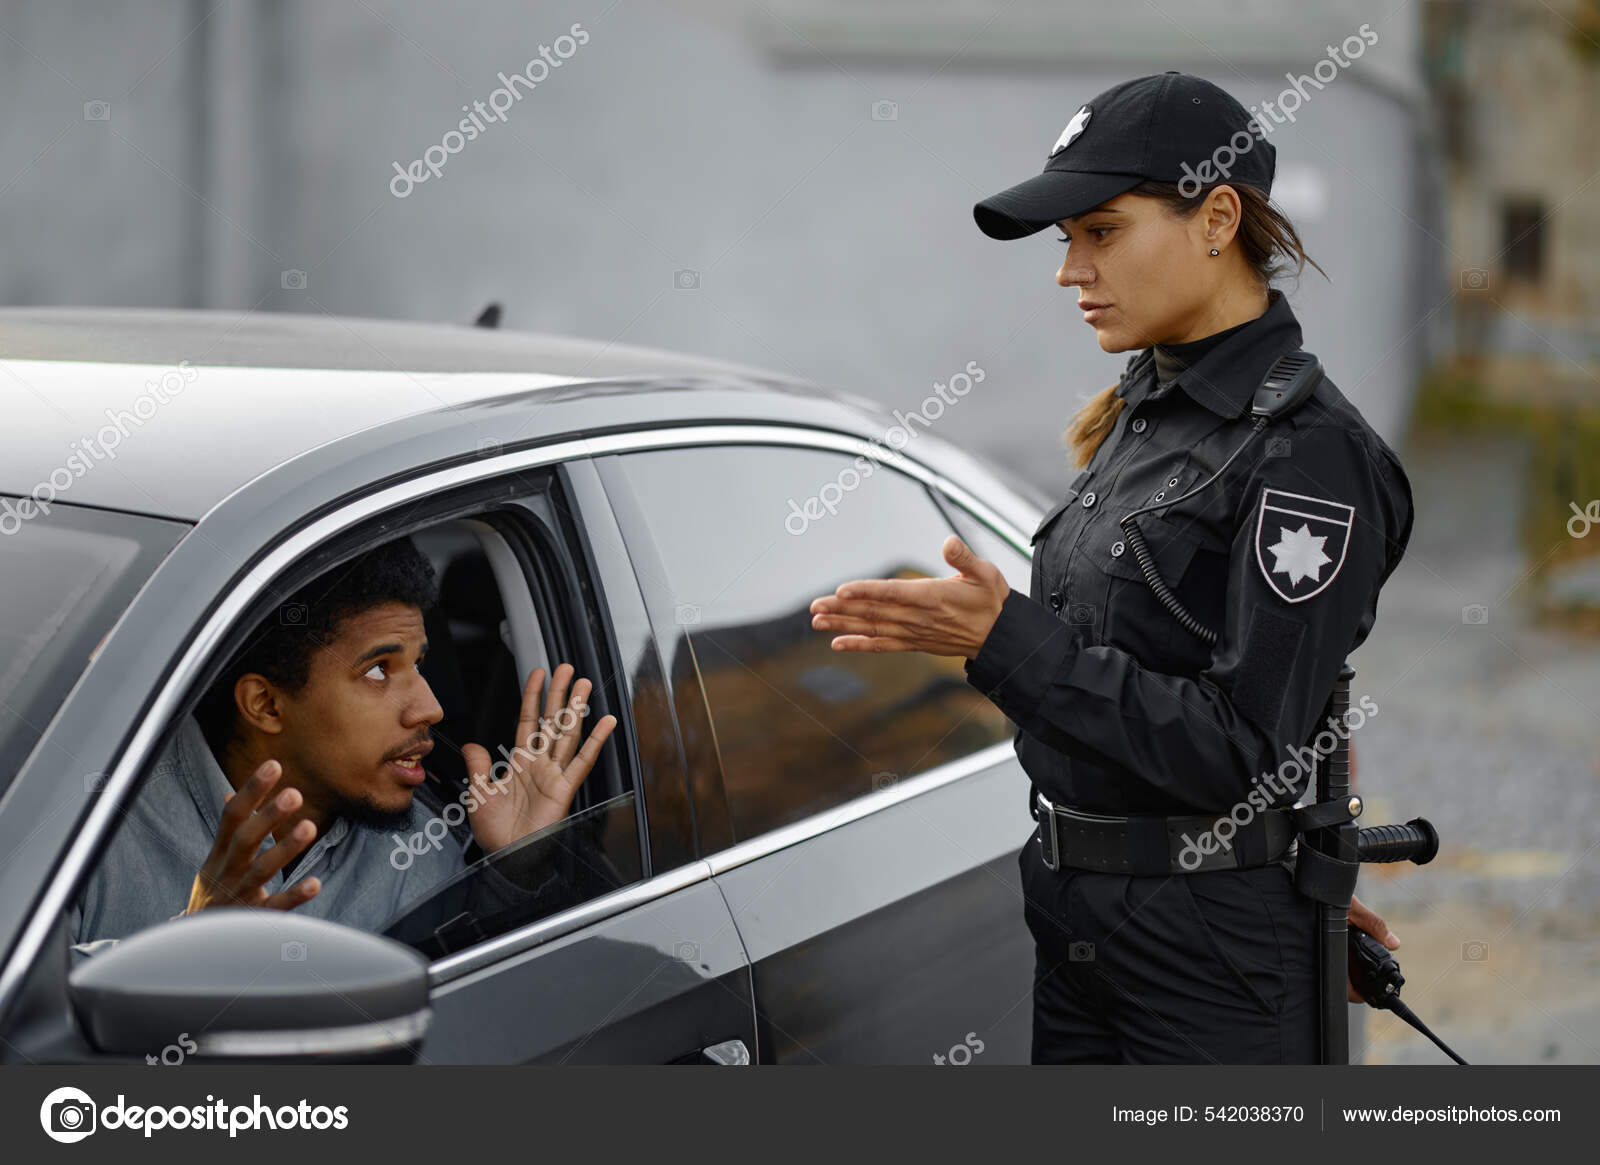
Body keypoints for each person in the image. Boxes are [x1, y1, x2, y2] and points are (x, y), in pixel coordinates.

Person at [808, 71, 1411, 1063]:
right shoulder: (1148, 404)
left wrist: (1004, 638)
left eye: (1102, 232)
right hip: (1082, 914)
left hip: (1207, 954)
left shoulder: (1304, 454)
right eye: (1067, 241)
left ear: (1217, 217)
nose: (1069, 270)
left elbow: (1244, 753)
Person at [70, 536, 617, 958]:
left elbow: (469, 1015)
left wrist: (512, 869)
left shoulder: (419, 845)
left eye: (419, 664)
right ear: (265, 704)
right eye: (380, 670)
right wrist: (185, 957)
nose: (430, 707)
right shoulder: (86, 826)